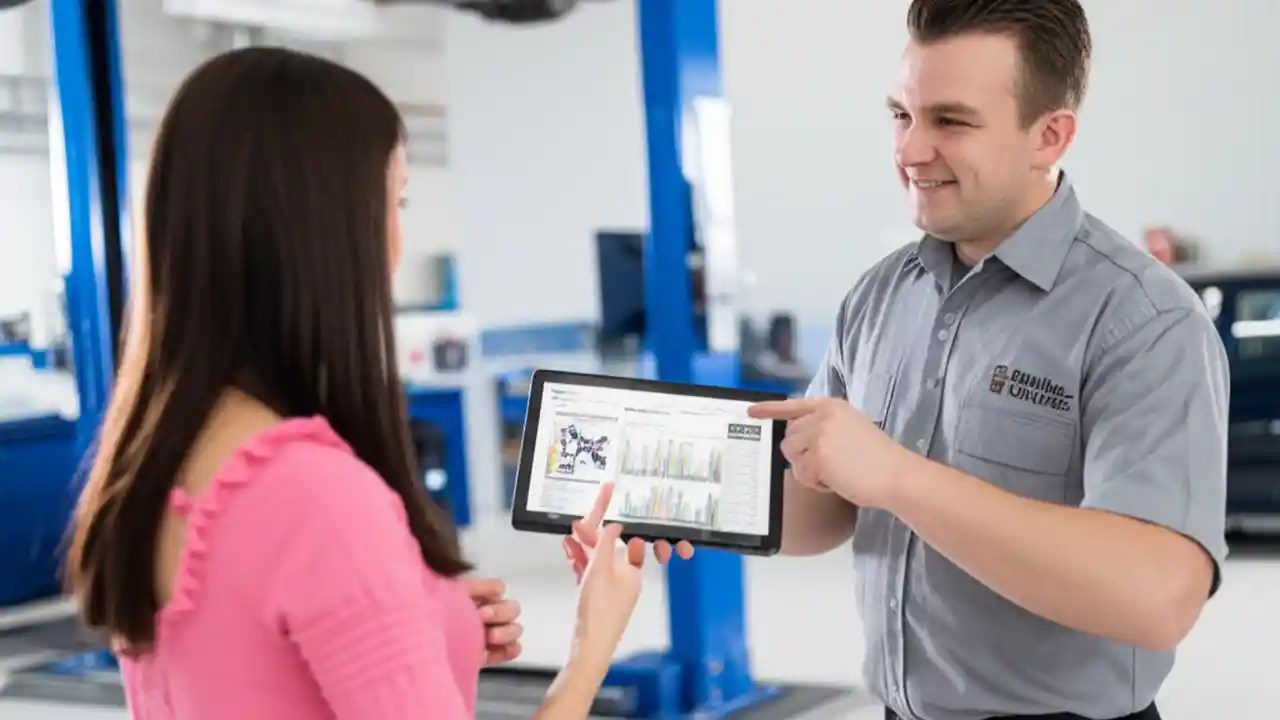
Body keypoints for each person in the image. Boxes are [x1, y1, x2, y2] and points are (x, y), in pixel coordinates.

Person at [63, 47, 680, 720]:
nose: (396, 243)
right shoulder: (318, 497)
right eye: (395, 202)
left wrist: (409, 624)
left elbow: (248, 664)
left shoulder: (151, 463)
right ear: (326, 233)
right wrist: (592, 644)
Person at [749, 1, 1229, 719]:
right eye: (901, 115)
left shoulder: (1142, 319)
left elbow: (1157, 598)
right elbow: (826, 509)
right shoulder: (880, 295)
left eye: (950, 121)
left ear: (1049, 136)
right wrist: (681, 505)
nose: (910, 151)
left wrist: (899, 476)